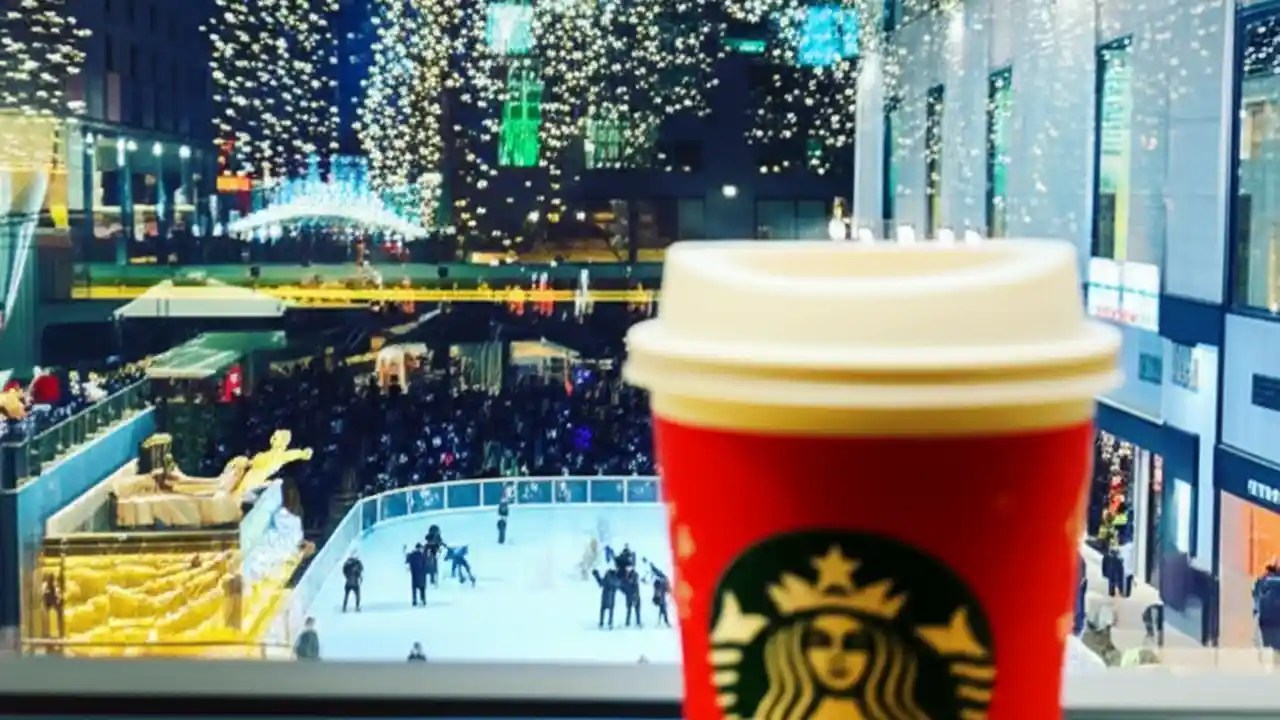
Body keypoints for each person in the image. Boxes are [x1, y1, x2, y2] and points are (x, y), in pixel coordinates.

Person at [648, 561, 671, 627]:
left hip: (660, 598)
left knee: (662, 610)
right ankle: (664, 622)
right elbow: (665, 589)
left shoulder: (662, 581)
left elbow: (666, 589)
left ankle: (661, 622)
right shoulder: (661, 582)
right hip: (660, 598)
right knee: (663, 610)